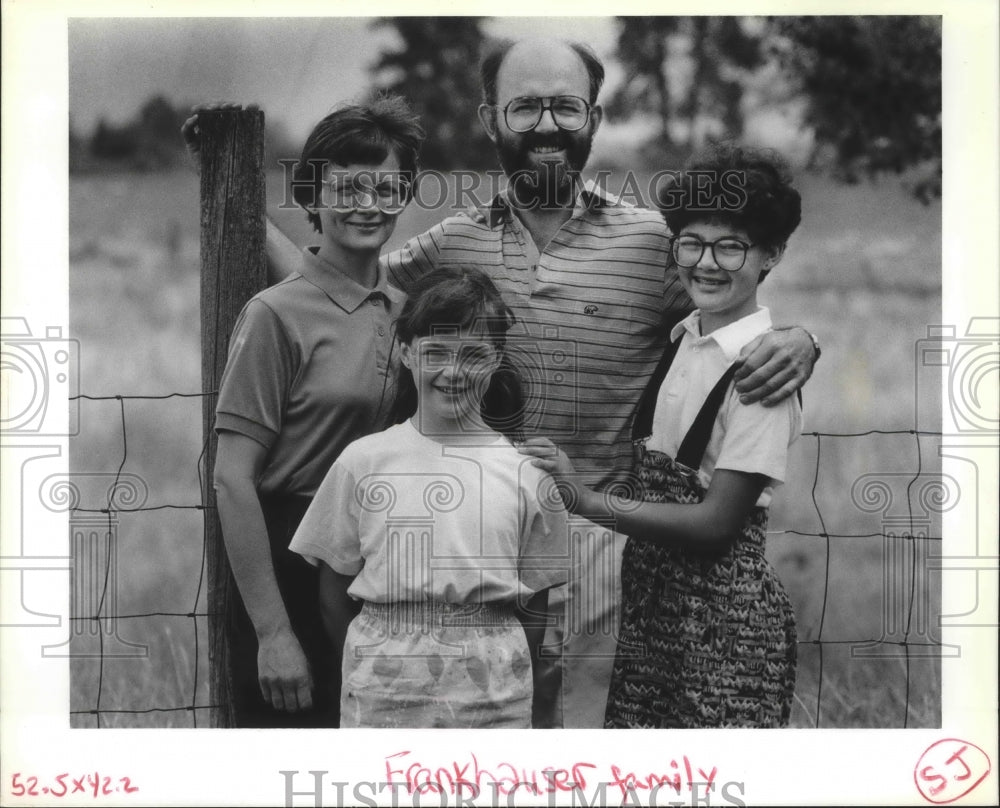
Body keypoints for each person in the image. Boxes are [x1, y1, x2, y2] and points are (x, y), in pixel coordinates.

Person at [189, 36, 819, 728]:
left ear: (595, 120)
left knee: (582, 745)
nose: (546, 126)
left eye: (564, 107)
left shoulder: (653, 244)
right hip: (472, 544)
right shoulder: (450, 243)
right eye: (525, 109)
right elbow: (343, 284)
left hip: (607, 555)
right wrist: (241, 206)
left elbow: (726, 300)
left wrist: (797, 339)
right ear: (491, 121)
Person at [521, 143, 802, 727]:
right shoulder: (680, 341)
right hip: (653, 615)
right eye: (692, 243)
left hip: (727, 626)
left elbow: (714, 524)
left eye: (731, 246)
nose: (707, 262)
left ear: (771, 254)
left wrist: (589, 502)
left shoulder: (761, 373)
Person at [210, 96, 424, 727]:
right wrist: (274, 632)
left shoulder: (407, 313)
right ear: (313, 194)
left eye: (386, 186)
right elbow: (232, 478)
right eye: (348, 186)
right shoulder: (274, 314)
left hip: (375, 558)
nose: (368, 203)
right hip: (288, 563)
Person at [288, 267, 569, 728]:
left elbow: (536, 605)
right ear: (404, 353)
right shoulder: (363, 463)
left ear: (497, 357)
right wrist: (376, 663)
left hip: (494, 697)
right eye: (435, 352)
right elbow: (332, 594)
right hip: (381, 694)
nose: (454, 372)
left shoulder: (527, 475)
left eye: (473, 355)